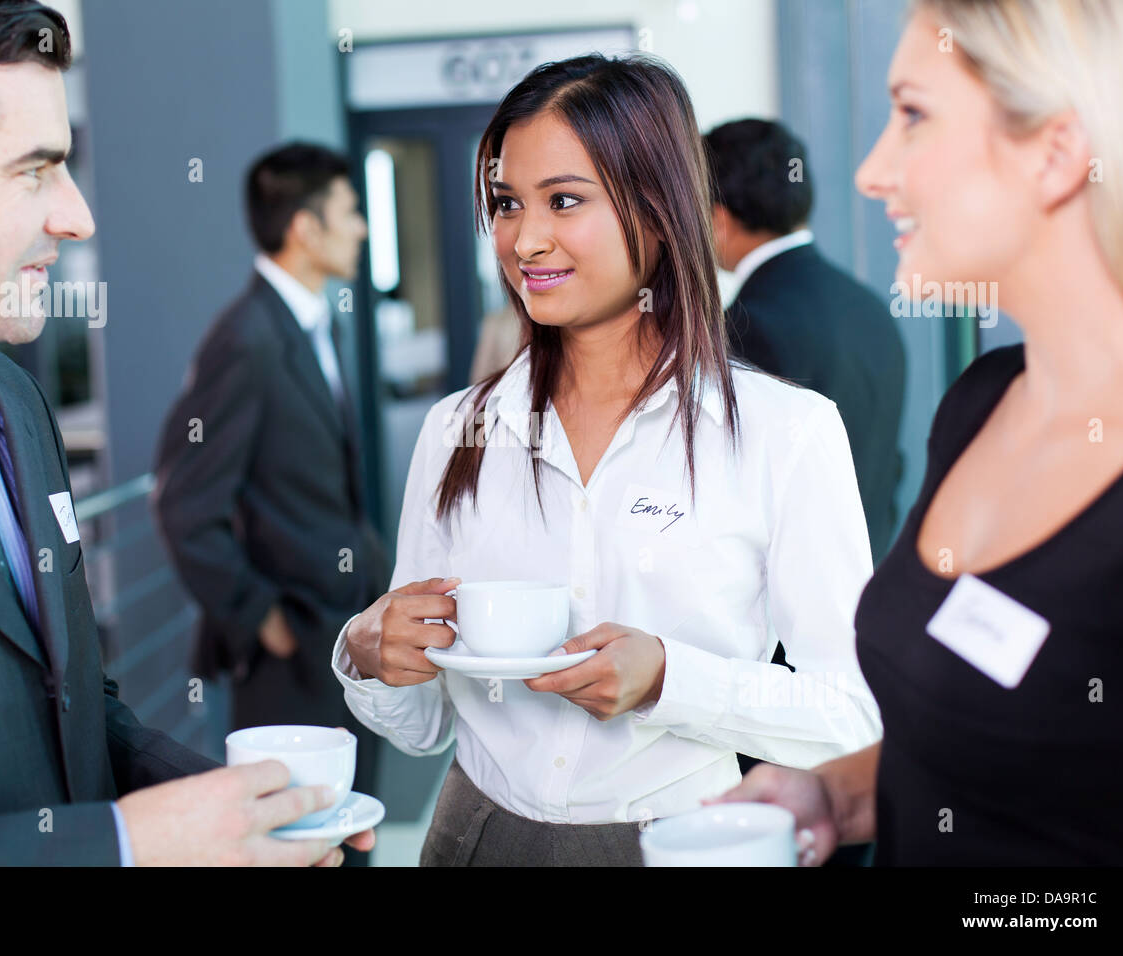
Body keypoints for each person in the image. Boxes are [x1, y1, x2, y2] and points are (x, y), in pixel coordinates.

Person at [0, 0, 371, 866]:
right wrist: (123, 845)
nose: (78, 215)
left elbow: (78, 707)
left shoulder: (12, 405)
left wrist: (231, 809)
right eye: (35, 170)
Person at [331, 52, 883, 866]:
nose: (525, 238)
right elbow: (425, 729)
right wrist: (372, 657)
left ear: (659, 214)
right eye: (508, 203)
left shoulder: (784, 431)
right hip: (474, 836)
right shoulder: (458, 432)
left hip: (682, 841)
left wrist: (668, 680)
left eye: (564, 200)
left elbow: (852, 713)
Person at [715, 0, 1123, 866]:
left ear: (1056, 152)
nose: (873, 171)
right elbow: (1013, 763)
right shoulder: (981, 404)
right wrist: (836, 791)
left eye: (913, 114)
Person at [152, 143, 390, 864]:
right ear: (305, 229)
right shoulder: (246, 341)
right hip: (292, 655)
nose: (363, 230)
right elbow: (184, 503)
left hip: (339, 634)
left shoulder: (314, 322)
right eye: (351, 214)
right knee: (299, 851)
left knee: (349, 842)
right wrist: (263, 618)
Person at [706, 118, 907, 562]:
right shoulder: (869, 308)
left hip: (790, 608)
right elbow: (888, 468)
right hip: (867, 585)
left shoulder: (747, 323)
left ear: (718, 219)